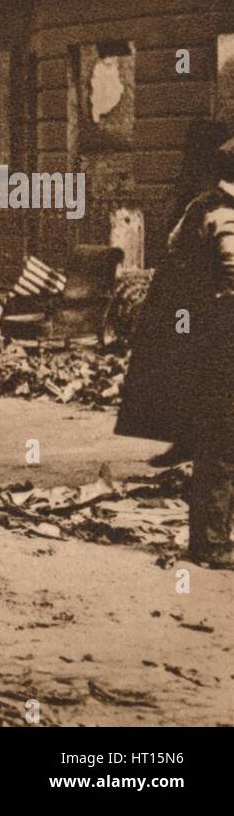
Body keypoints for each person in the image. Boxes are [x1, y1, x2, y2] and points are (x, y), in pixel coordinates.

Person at [118, 135, 234, 569]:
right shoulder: (225, 214)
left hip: (204, 337)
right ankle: (212, 544)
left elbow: (173, 255)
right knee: (223, 444)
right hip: (226, 339)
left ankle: (213, 537)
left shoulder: (199, 206)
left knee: (218, 439)